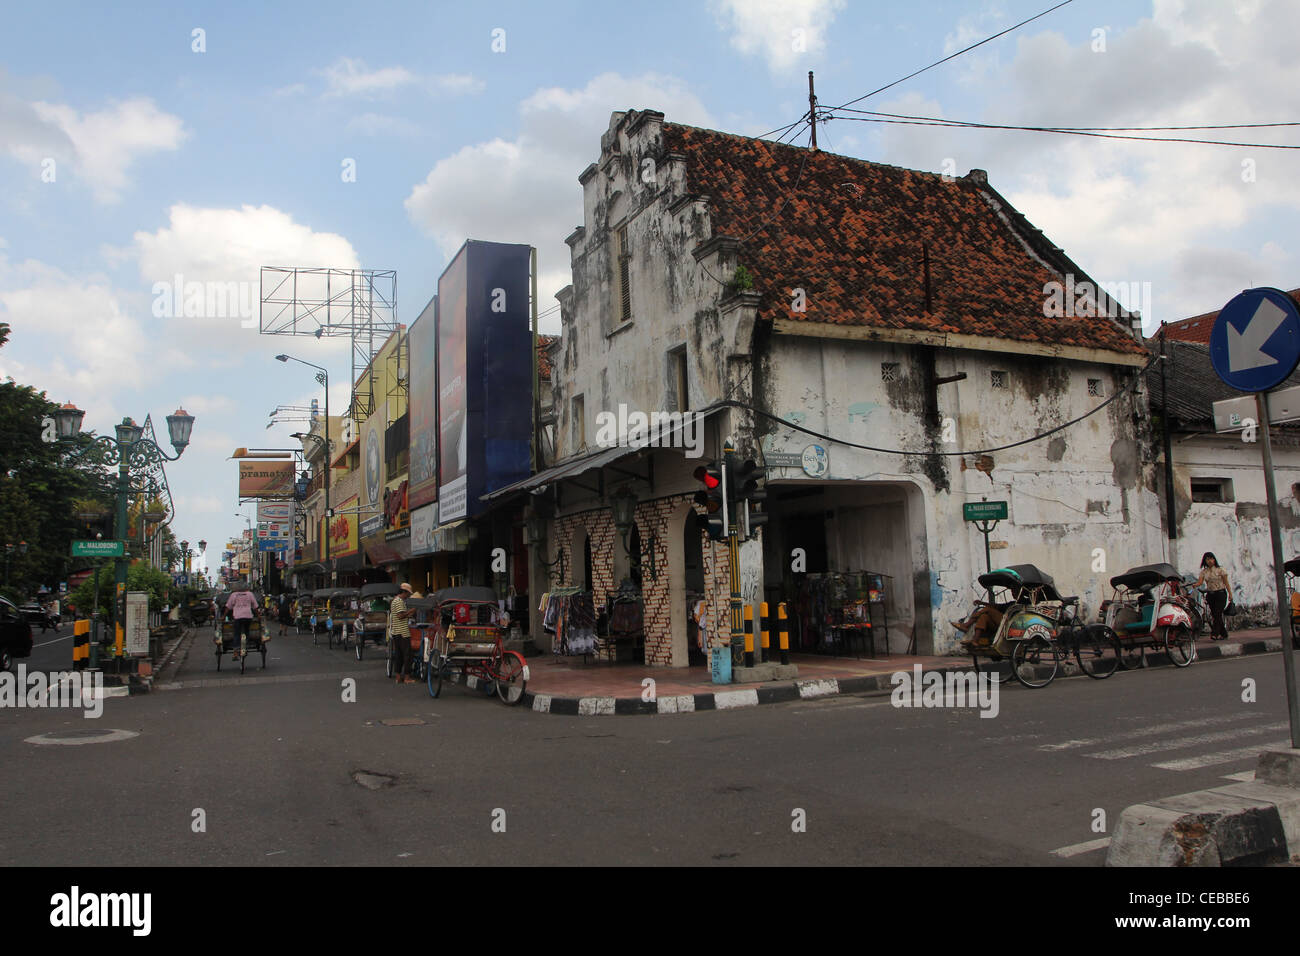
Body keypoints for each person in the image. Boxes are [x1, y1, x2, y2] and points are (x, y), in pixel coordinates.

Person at [1195, 552, 1233, 641]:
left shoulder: (1220, 570)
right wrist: (1195, 585)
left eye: (1211, 559)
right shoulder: (1204, 572)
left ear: (1214, 559)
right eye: (1207, 559)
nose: (1210, 561)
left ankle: (1214, 634)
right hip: (1211, 595)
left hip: (1221, 594)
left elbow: (1226, 583)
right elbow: (1200, 582)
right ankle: (1224, 633)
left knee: (1217, 613)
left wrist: (1230, 594)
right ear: (1205, 561)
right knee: (1215, 615)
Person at [224, 585, 260, 660]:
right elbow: (255, 606)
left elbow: (228, 607)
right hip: (248, 616)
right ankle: (245, 645)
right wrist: (259, 615)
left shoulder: (233, 595)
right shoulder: (250, 594)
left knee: (237, 633)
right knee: (246, 631)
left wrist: (223, 616)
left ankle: (236, 652)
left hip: (237, 617)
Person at [389, 583, 413, 683]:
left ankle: (398, 677)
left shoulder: (395, 600)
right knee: (407, 655)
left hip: (396, 632)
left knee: (399, 655)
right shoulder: (399, 601)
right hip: (403, 632)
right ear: (404, 592)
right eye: (408, 593)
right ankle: (407, 677)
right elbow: (400, 615)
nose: (408, 596)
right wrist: (411, 611)